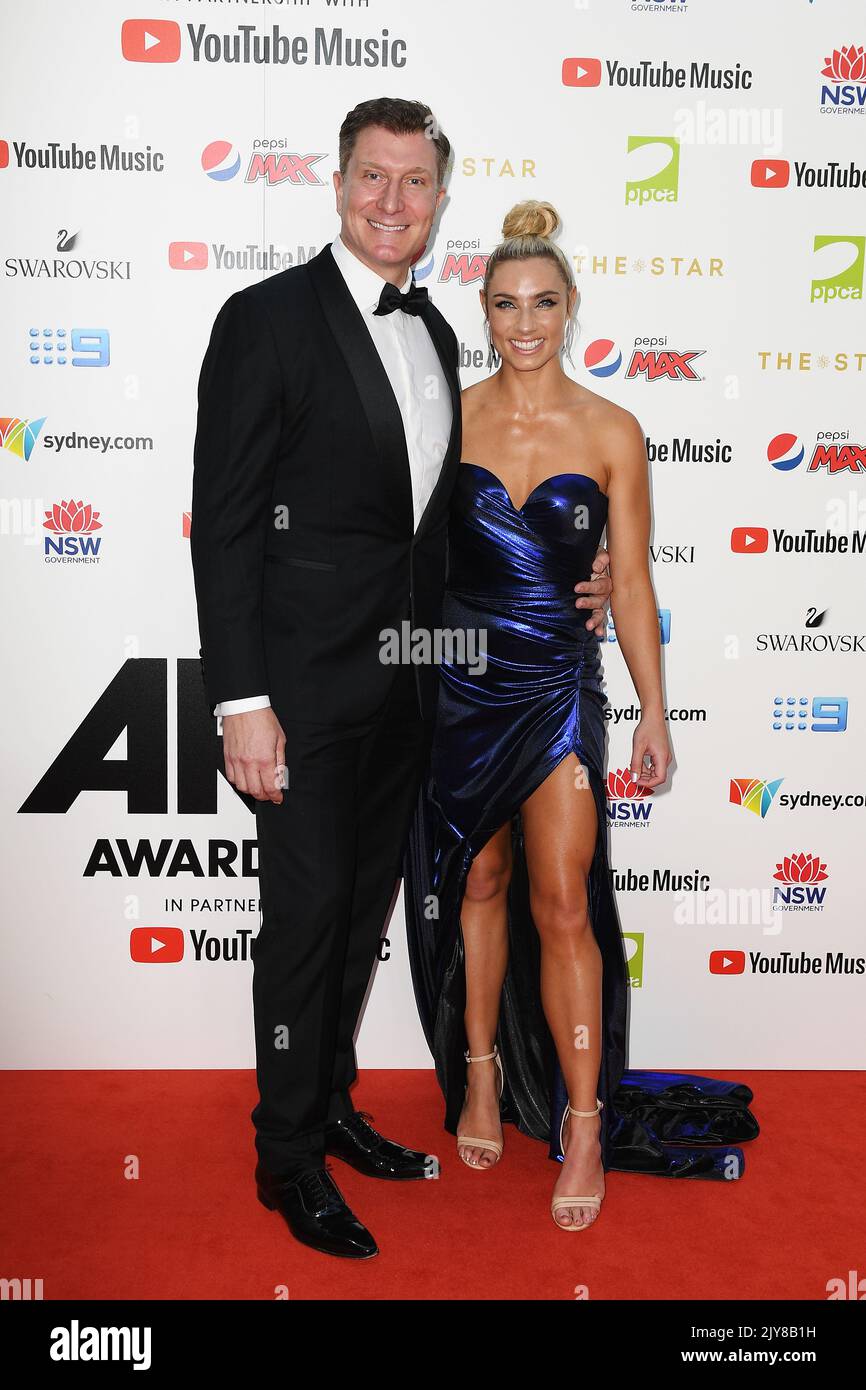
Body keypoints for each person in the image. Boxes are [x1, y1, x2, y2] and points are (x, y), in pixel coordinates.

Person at [189, 100, 616, 1260]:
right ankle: (286, 1160)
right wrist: (241, 703)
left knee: (358, 921)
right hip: (298, 702)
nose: (391, 202)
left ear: (437, 200)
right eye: (372, 178)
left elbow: (434, 534)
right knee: (302, 926)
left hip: (412, 695)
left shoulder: (432, 333)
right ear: (336, 185)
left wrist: (579, 576)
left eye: (414, 183)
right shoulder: (263, 320)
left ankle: (329, 1108)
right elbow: (223, 530)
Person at [403, 200, 758, 1232]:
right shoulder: (447, 418)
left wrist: (654, 710)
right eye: (506, 304)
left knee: (561, 899)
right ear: (483, 309)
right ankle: (476, 1074)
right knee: (477, 874)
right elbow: (407, 562)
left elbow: (634, 583)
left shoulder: (611, 429)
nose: (524, 322)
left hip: (558, 680)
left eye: (543, 303)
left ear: (570, 309)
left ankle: (587, 1119)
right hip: (463, 680)